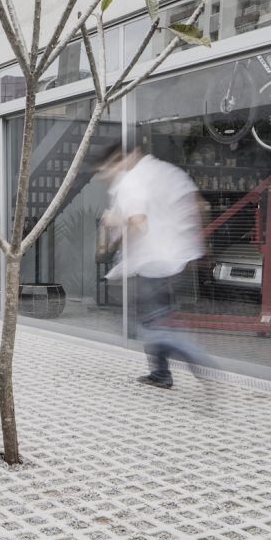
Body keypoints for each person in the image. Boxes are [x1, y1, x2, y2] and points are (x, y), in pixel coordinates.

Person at [97, 143, 213, 389]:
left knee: (152, 321)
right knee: (157, 316)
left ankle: (195, 356)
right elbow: (200, 204)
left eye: (107, 166)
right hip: (176, 259)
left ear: (127, 156)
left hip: (151, 262)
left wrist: (113, 220)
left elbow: (139, 224)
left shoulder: (132, 182)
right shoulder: (168, 172)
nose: (105, 174)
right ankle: (160, 373)